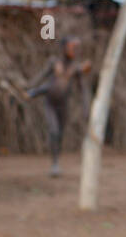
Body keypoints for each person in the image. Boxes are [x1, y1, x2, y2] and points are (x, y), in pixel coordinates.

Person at [26, 36, 91, 177]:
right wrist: (28, 87)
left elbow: (83, 89)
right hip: (50, 103)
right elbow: (40, 77)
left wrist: (86, 107)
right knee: (54, 130)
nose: (74, 51)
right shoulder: (54, 63)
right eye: (71, 47)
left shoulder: (76, 67)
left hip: (63, 105)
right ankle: (54, 165)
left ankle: (56, 162)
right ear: (63, 48)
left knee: (60, 134)